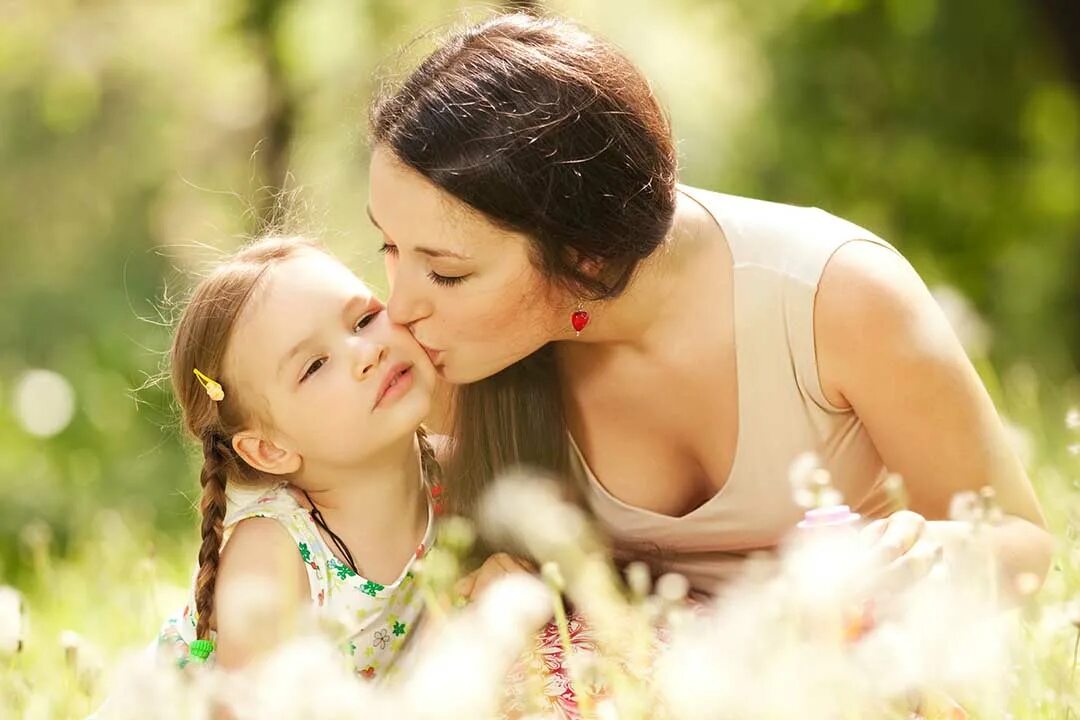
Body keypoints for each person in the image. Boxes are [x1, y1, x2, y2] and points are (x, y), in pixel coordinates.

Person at [366, 11, 1053, 601]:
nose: (398, 309)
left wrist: (930, 555)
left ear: (584, 256)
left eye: (447, 274)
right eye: (388, 248)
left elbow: (1025, 545)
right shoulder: (444, 358)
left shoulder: (835, 297)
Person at [156, 235, 442, 679]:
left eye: (365, 319)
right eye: (314, 366)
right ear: (270, 449)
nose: (367, 353)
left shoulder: (459, 475)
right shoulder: (274, 556)